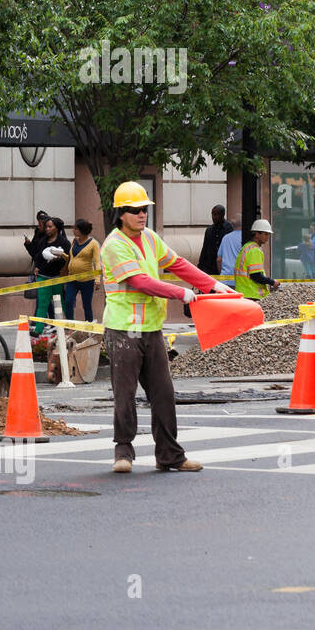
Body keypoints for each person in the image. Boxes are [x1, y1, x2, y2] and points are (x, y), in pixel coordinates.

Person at [101, 182, 233, 474]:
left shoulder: (149, 238)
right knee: (125, 394)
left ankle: (170, 456)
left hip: (151, 328)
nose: (141, 214)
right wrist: (181, 293)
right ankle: (123, 452)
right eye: (135, 210)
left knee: (163, 393)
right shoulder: (114, 245)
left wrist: (210, 284)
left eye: (144, 209)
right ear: (121, 214)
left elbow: (178, 263)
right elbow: (140, 282)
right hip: (124, 329)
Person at [27, 216, 69, 335]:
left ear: (57, 228)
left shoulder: (64, 242)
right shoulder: (43, 241)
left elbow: (68, 259)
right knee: (42, 303)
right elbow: (37, 256)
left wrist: (59, 259)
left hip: (57, 277)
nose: (47, 229)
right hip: (43, 276)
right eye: (46, 227)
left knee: (60, 303)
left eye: (50, 227)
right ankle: (38, 329)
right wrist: (37, 267)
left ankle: (64, 325)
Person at [62, 219, 101, 322]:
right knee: (68, 302)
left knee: (86, 305)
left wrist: (97, 279)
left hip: (87, 280)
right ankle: (70, 326)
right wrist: (61, 254)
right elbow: (71, 258)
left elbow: (97, 262)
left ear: (81, 230)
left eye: (75, 228)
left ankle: (89, 328)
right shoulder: (74, 241)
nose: (73, 230)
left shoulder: (93, 244)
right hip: (72, 278)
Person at [233, 219, 281, 302]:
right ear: (256, 234)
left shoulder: (247, 247)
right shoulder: (255, 250)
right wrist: (273, 282)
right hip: (252, 294)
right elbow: (256, 276)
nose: (267, 237)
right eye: (265, 234)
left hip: (244, 293)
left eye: (269, 234)